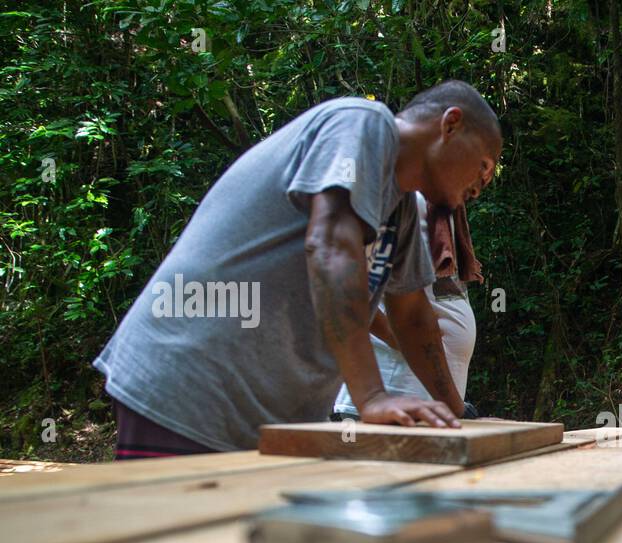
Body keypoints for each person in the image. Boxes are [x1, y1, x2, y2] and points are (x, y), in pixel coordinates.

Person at [94, 80, 501, 458]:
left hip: (270, 421)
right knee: (178, 535)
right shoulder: (362, 123)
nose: (483, 182)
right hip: (189, 389)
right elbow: (331, 248)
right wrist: (372, 397)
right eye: (484, 165)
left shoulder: (403, 212)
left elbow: (412, 318)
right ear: (450, 124)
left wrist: (456, 413)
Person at [334, 193, 480, 419]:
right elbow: (346, 287)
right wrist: (396, 337)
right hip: (394, 393)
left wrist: (457, 407)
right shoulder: (400, 199)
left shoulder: (441, 209)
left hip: (430, 399)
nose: (484, 177)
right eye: (482, 163)